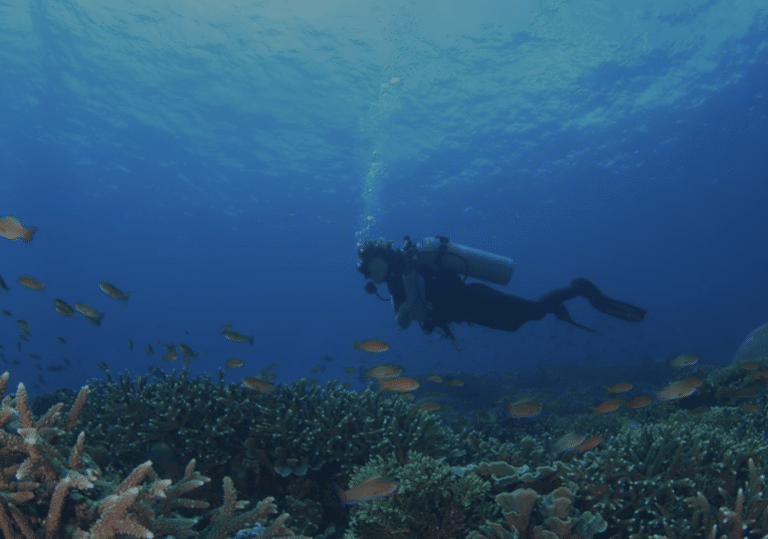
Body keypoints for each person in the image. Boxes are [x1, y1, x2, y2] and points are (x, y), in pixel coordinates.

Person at [357, 235, 646, 349]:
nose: (370, 276)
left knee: (530, 313)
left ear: (378, 259)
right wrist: (404, 309)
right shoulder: (394, 283)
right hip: (465, 311)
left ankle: (578, 290)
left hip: (473, 298)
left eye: (369, 268)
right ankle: (557, 304)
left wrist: (408, 304)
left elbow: (415, 306)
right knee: (518, 322)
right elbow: (405, 320)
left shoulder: (412, 264)